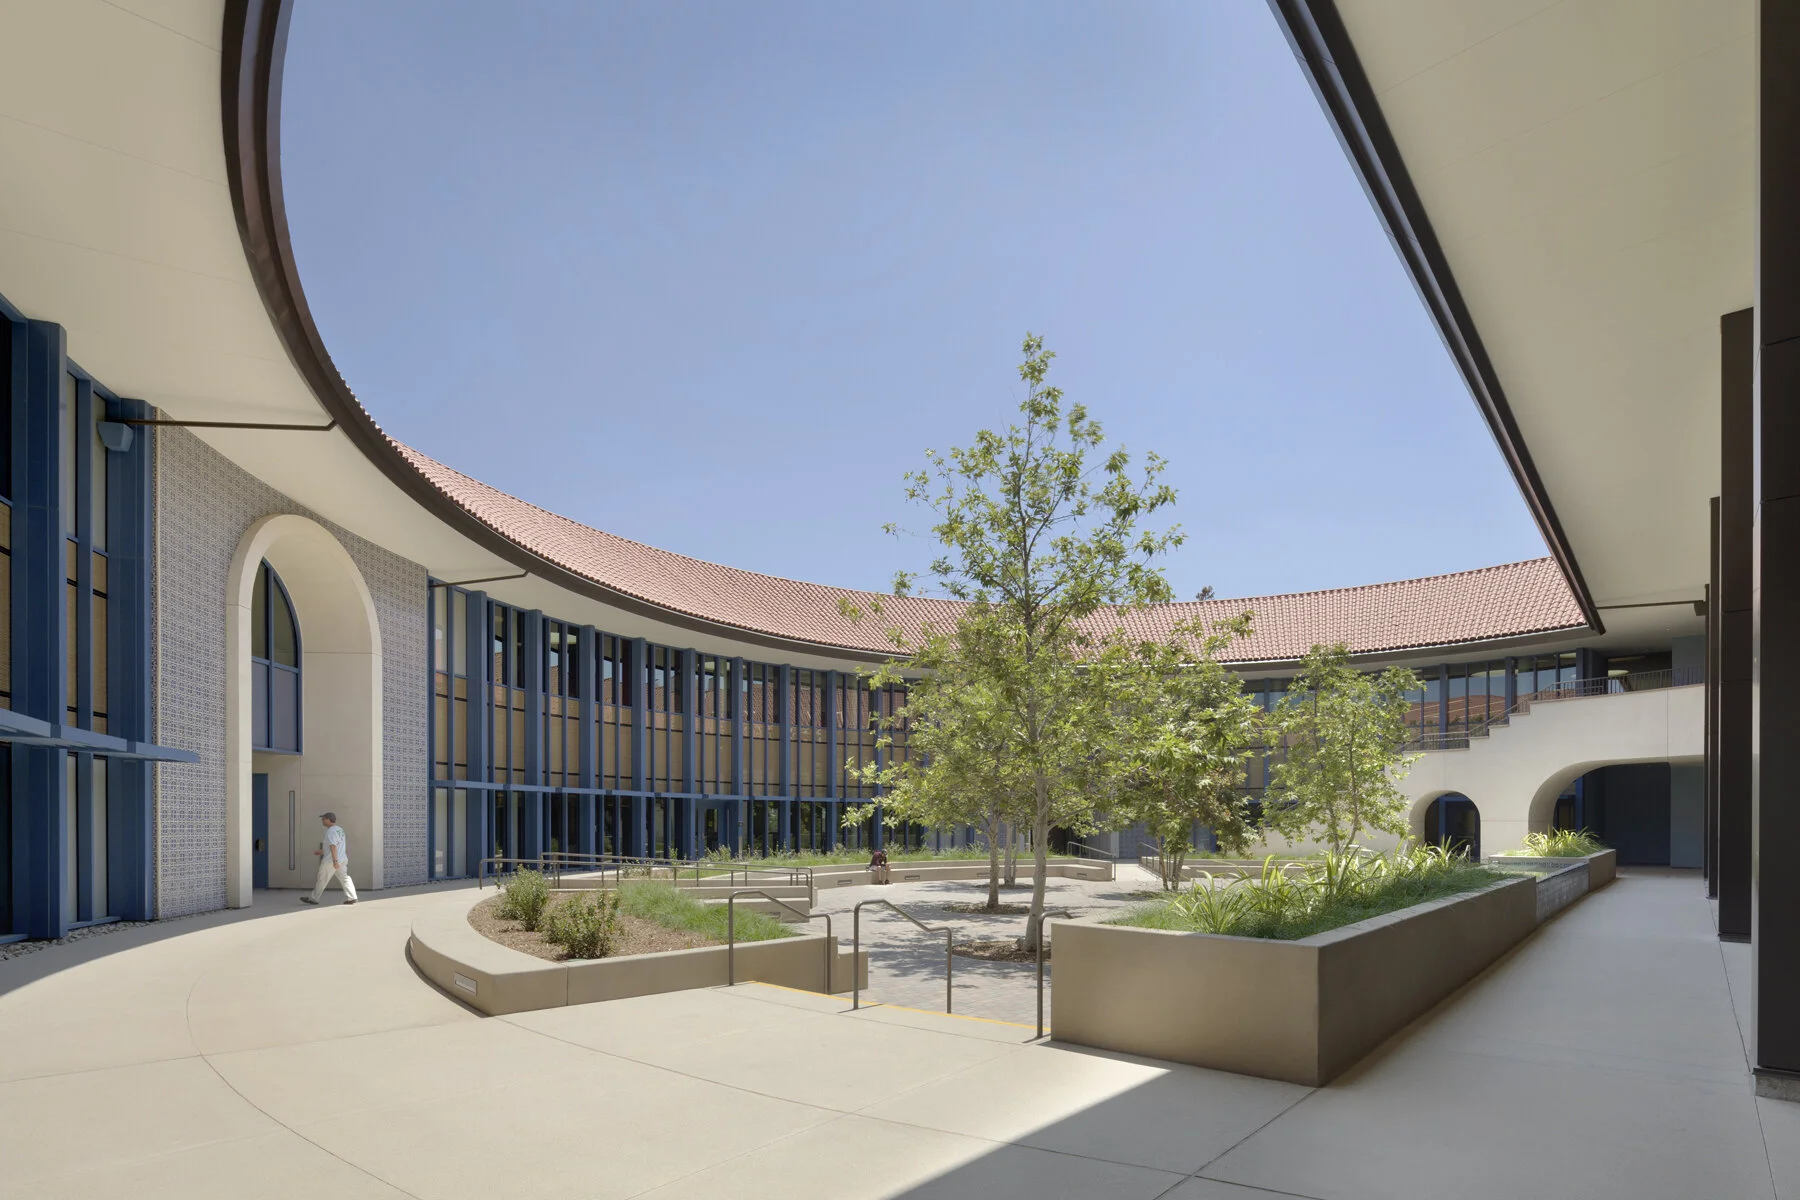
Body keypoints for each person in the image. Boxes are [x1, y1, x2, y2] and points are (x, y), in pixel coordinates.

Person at [301, 812, 358, 905]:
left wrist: (335, 861)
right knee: (345, 878)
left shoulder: (331, 831)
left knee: (322, 879)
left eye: (323, 819)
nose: (322, 821)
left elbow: (333, 846)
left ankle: (314, 899)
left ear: (329, 819)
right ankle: (352, 897)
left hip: (331, 861)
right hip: (342, 859)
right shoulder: (340, 830)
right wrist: (322, 851)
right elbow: (335, 846)